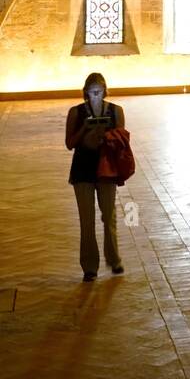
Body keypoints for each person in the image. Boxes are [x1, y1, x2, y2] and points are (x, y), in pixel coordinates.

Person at [65, 73, 127, 283]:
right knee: (87, 220)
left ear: (104, 90)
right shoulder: (76, 112)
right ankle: (89, 267)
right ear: (85, 92)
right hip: (82, 170)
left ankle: (114, 259)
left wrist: (105, 135)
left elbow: (122, 140)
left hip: (106, 169)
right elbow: (69, 143)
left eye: (99, 91)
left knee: (109, 216)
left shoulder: (116, 111)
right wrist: (85, 127)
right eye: (92, 92)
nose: (95, 95)